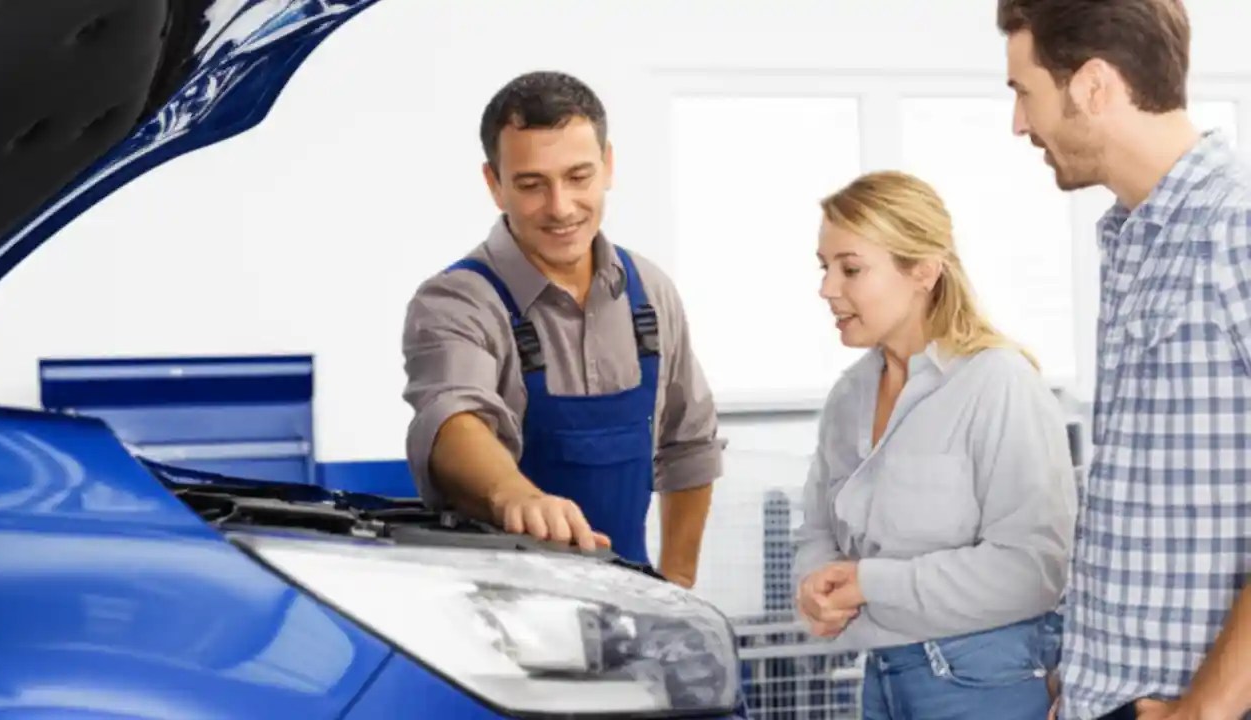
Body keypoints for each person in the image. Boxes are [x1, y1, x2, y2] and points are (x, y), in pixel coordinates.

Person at [999, 1, 1251, 718]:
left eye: (1025, 92)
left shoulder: (1236, 230)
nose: (1020, 124)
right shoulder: (1130, 238)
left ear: (1094, 85)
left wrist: (1200, 713)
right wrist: (1079, 682)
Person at [400, 70, 722, 587]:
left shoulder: (650, 292)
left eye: (579, 177)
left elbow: (690, 448)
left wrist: (677, 586)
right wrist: (515, 494)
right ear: (494, 184)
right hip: (507, 613)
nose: (561, 207)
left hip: (631, 607)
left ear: (608, 165)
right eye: (532, 184)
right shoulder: (457, 300)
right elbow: (453, 417)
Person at [792, 170, 1078, 720]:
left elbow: (1035, 570)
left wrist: (869, 583)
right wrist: (815, 584)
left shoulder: (999, 383)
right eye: (824, 268)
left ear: (923, 269)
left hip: (984, 681)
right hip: (880, 678)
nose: (827, 288)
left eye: (850, 269)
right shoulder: (849, 396)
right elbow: (818, 531)